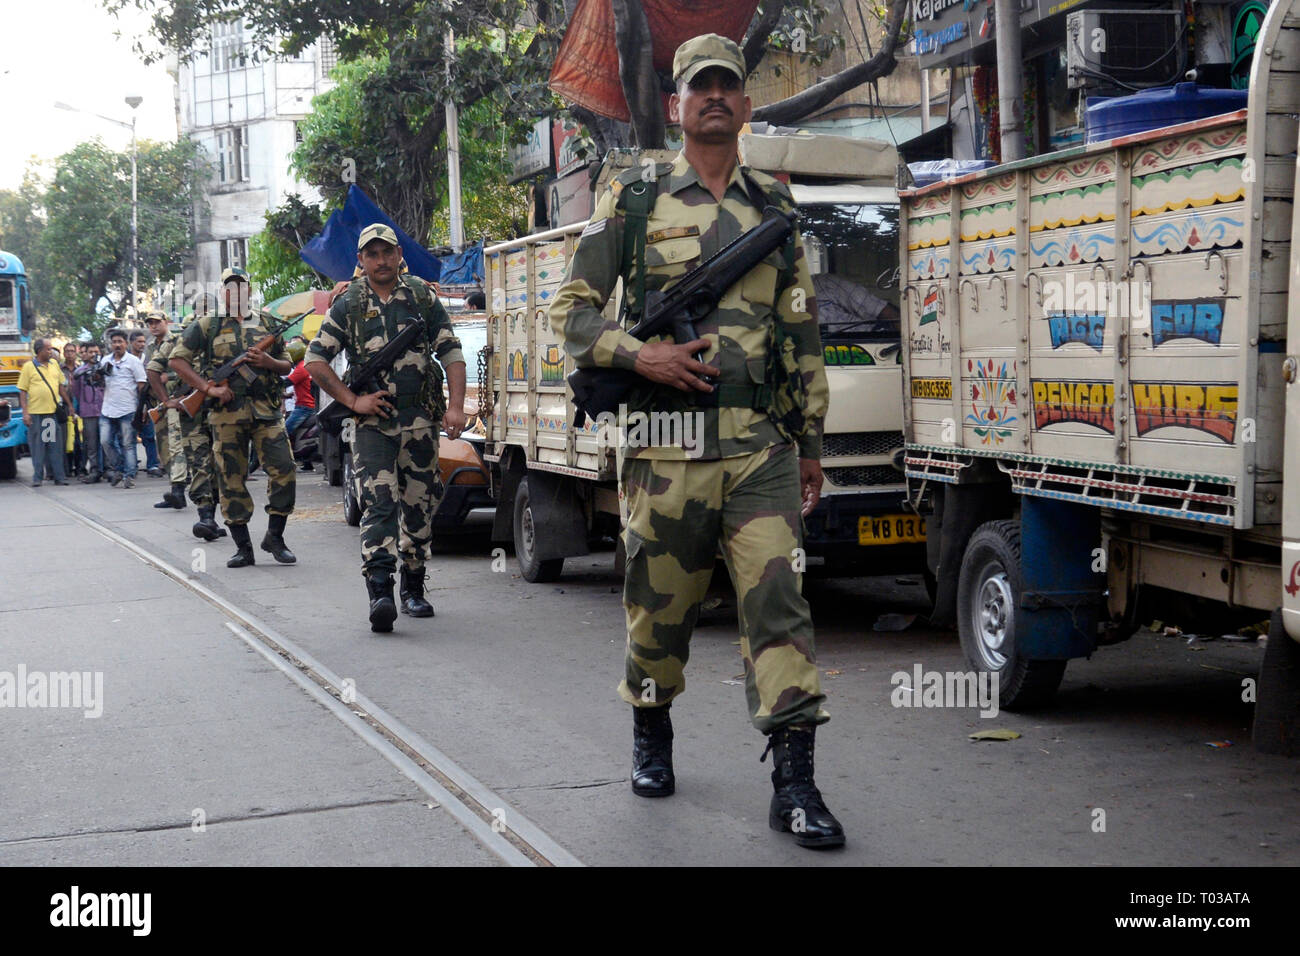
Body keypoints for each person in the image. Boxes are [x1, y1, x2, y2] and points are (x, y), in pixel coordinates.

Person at [549, 34, 842, 848]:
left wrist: (808, 438)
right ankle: (651, 725)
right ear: (677, 105)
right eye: (698, 86)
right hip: (664, 443)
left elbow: (802, 330)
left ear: (745, 105)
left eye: (727, 85)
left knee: (778, 606)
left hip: (759, 446)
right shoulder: (636, 202)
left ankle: (796, 783)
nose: (714, 96)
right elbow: (570, 311)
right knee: (659, 613)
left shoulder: (774, 207)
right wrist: (642, 353)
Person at [306, 223, 468, 632]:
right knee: (378, 505)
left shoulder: (420, 295)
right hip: (372, 426)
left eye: (387, 252)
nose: (381, 261)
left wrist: (455, 407)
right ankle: (380, 592)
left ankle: (413, 588)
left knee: (420, 505)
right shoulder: (349, 304)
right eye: (372, 254)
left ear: (399, 255)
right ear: (361, 260)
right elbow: (315, 360)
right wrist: (352, 400)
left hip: (420, 424)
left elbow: (451, 349)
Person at [169, 267, 296, 567]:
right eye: (230, 287)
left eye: (241, 286)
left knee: (285, 470)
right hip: (226, 417)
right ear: (223, 292)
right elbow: (176, 359)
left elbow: (287, 365)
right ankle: (243, 548)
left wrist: (268, 361)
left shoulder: (266, 323)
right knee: (230, 479)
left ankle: (275, 537)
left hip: (266, 412)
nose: (236, 292)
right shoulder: (208, 325)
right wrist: (206, 389)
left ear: (249, 291)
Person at [159, 303, 226, 540]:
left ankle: (214, 517)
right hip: (192, 412)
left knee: (220, 465)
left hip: (221, 411)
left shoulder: (223, 336)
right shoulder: (176, 341)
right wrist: (166, 400)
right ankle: (205, 516)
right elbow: (153, 368)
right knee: (200, 463)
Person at [143, 311, 189, 509]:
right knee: (164, 448)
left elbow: (185, 368)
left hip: (176, 399)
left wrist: (168, 377)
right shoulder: (150, 346)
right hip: (158, 403)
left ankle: (179, 488)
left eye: (156, 322)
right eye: (150, 323)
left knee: (176, 445)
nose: (153, 326)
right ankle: (175, 489)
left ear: (165, 322)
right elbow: (149, 374)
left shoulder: (177, 339)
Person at [16, 338, 75, 486]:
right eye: (48, 349)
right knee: (38, 448)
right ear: (40, 351)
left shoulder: (54, 364)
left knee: (54, 446)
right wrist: (25, 413)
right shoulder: (29, 367)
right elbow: (22, 391)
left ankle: (59, 477)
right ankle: (37, 478)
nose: (51, 351)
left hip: (51, 413)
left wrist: (69, 405)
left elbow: (60, 387)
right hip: (36, 414)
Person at [98, 329, 148, 488]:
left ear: (126, 344)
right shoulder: (105, 360)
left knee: (128, 444)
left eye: (120, 342)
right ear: (111, 344)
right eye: (114, 342)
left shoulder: (134, 361)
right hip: (107, 409)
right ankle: (120, 468)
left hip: (128, 409)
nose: (117, 345)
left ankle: (130, 475)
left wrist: (142, 408)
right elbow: (100, 384)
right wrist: (97, 376)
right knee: (105, 441)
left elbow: (142, 386)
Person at [131, 329, 163, 476]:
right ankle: (131, 466)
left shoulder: (149, 358)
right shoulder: (128, 359)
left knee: (149, 435)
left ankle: (152, 465)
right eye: (139, 341)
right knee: (129, 437)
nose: (142, 344)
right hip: (130, 403)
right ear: (132, 343)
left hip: (147, 402)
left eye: (144, 341)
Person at [73, 345, 106, 482]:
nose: (93, 354)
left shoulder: (105, 368)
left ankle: (108, 469)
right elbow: (76, 391)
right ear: (85, 354)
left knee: (106, 441)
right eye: (90, 352)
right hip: (88, 412)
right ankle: (94, 470)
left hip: (105, 411)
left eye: (96, 352)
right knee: (91, 443)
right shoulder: (80, 372)